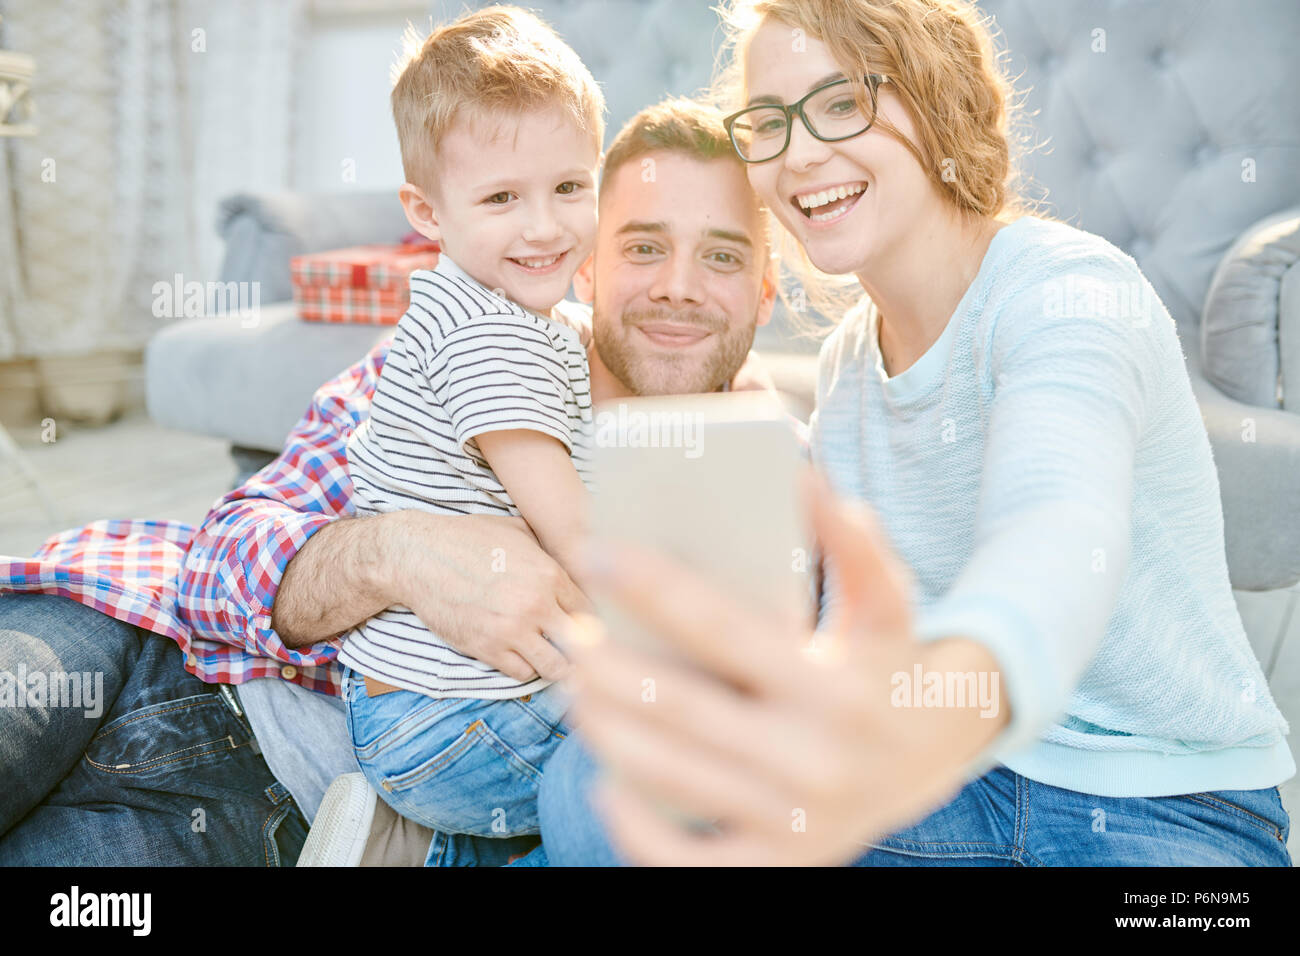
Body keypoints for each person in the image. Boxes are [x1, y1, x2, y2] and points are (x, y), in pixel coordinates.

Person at [537, 0, 1295, 867]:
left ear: (934, 98)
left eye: (840, 102)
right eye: (769, 123)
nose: (801, 152)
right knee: (590, 782)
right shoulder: (846, 371)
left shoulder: (1071, 292)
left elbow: (1056, 526)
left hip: (1163, 812)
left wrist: (932, 718)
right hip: (938, 800)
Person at [0, 93, 780, 866]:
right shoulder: (483, 352)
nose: (678, 284)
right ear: (586, 267)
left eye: (722, 255)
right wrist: (397, 554)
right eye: (644, 247)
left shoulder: (778, 480)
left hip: (279, 823)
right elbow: (217, 561)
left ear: (766, 291)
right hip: (129, 635)